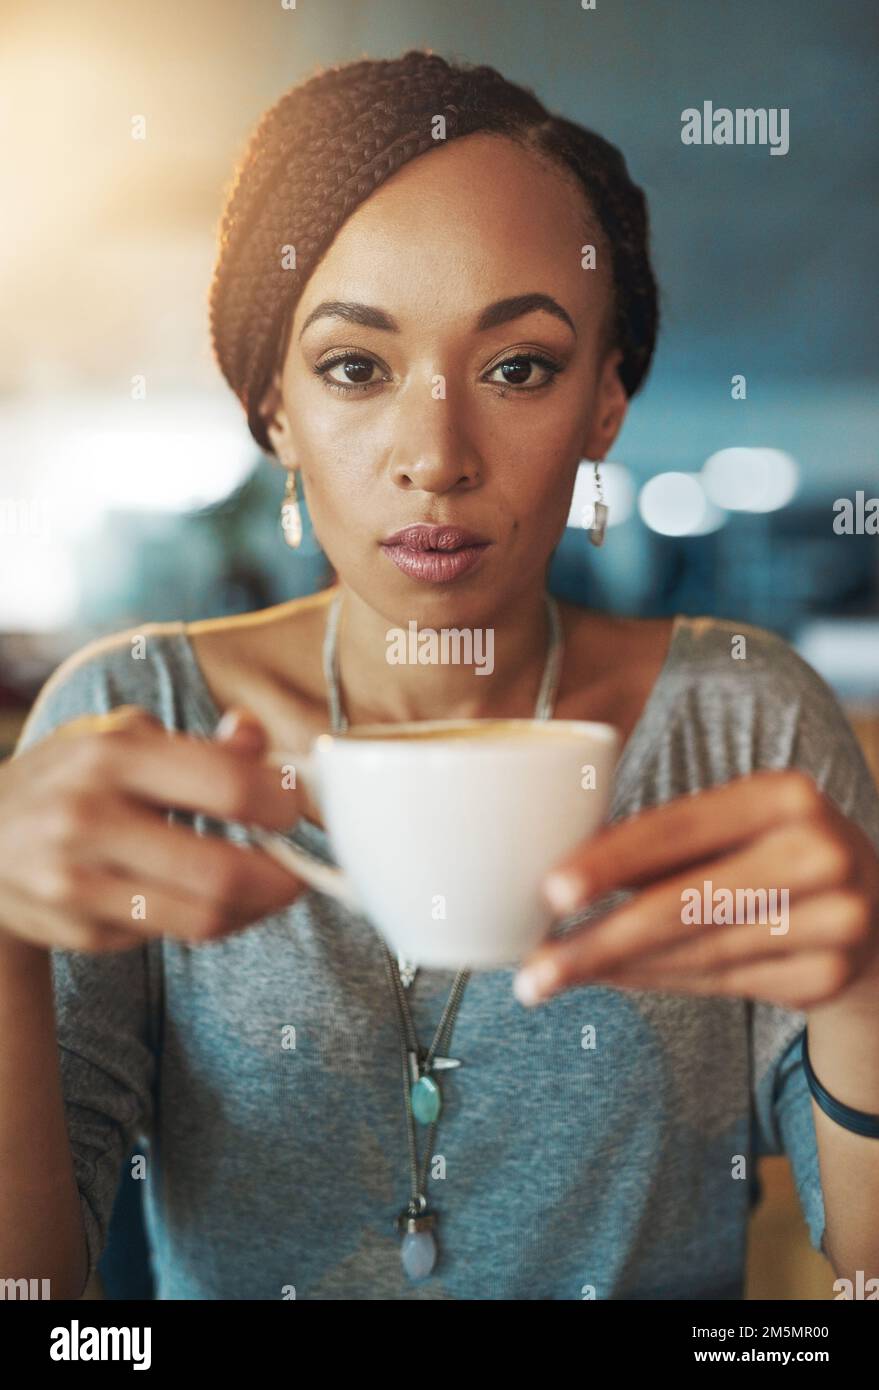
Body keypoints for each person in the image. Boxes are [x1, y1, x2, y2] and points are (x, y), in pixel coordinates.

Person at [1, 50, 877, 1301]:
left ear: (606, 406)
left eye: (519, 367)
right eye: (356, 368)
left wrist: (873, 982)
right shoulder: (135, 728)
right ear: (273, 414)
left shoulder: (743, 723)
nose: (437, 455)